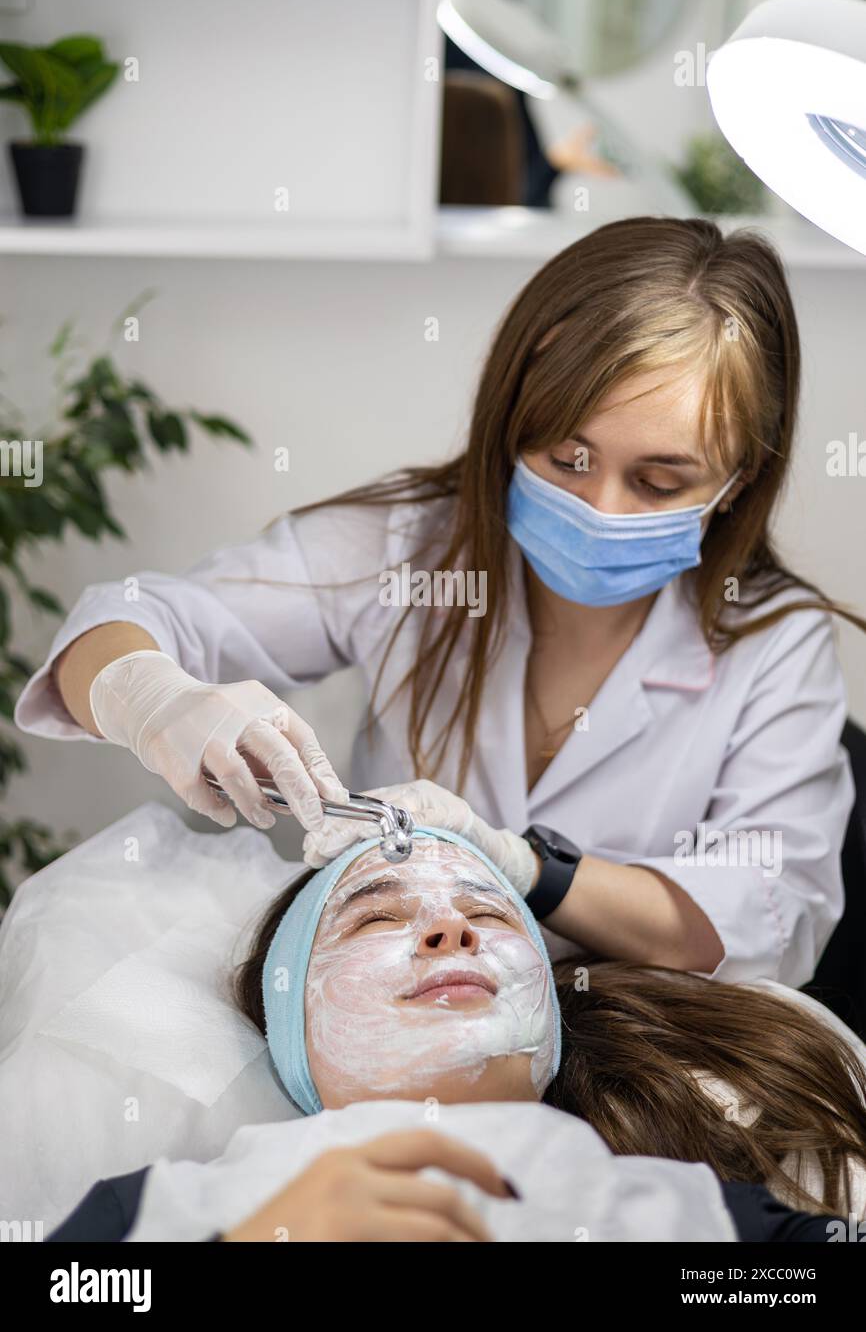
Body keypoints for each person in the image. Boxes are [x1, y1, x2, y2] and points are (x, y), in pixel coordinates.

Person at [15, 217, 864, 985]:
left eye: (658, 480)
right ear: (510, 422)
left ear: (738, 479)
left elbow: (765, 916)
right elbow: (126, 620)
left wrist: (526, 869)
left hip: (640, 1054)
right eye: (567, 459)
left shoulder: (774, 644)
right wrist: (154, 697)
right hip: (396, 1020)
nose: (600, 507)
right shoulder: (407, 552)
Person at [47, 831, 866, 1242]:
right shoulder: (167, 1209)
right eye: (376, 916)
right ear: (291, 1016)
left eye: (485, 913)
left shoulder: (675, 1210)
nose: (452, 931)